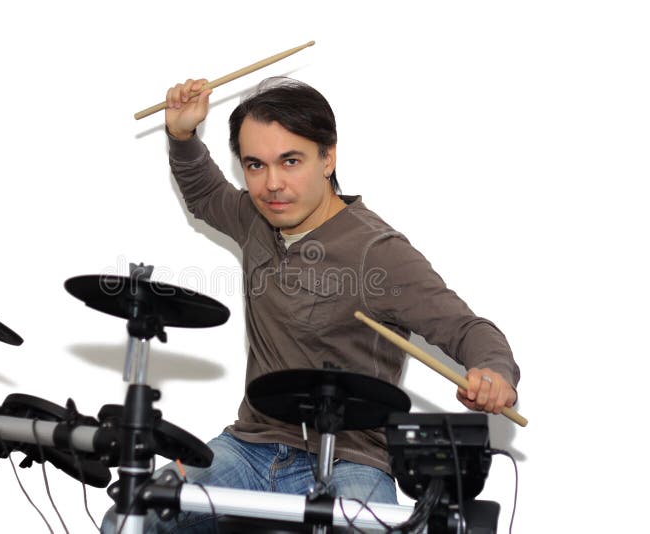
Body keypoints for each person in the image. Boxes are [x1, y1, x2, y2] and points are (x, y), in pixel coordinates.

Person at [102, 77, 520, 533]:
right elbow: (204, 194)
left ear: (328, 157)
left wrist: (493, 372)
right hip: (249, 447)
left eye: (290, 161)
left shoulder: (378, 252)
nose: (272, 184)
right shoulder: (255, 220)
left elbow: (466, 329)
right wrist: (182, 134)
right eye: (255, 165)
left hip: (353, 459)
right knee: (133, 516)